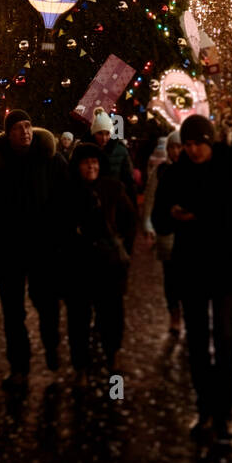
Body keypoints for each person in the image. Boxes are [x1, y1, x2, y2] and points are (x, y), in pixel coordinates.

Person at [152, 114, 232, 444]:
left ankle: (225, 411)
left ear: (210, 141)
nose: (192, 151)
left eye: (198, 144)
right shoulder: (176, 174)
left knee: (224, 337)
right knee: (197, 342)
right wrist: (172, 216)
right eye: (187, 145)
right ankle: (205, 408)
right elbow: (159, 220)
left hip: (226, 268)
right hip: (190, 268)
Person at [0, 108, 69, 392]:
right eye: (18, 127)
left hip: (44, 249)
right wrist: (2, 224)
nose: (24, 131)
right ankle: (19, 367)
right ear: (8, 133)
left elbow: (66, 198)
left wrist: (56, 230)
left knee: (47, 305)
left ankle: (51, 348)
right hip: (10, 249)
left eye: (28, 126)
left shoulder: (51, 159)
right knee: (13, 313)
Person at [64, 142, 136, 386]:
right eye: (86, 162)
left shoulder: (113, 188)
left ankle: (113, 355)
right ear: (78, 166)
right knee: (78, 320)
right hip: (78, 267)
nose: (91, 166)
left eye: (94, 161)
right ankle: (80, 366)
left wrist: (124, 250)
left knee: (111, 314)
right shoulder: (68, 192)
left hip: (108, 267)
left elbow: (128, 221)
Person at [142, 132, 183, 334]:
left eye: (178, 147)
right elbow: (149, 201)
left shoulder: (193, 170)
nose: (175, 151)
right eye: (172, 148)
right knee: (171, 277)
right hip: (167, 231)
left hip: (189, 235)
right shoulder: (160, 171)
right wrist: (148, 227)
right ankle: (174, 313)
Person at [88, 108, 137, 199]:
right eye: (100, 133)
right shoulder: (86, 150)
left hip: (114, 200)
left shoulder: (121, 151)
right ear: (93, 133)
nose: (104, 138)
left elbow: (129, 181)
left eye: (107, 134)